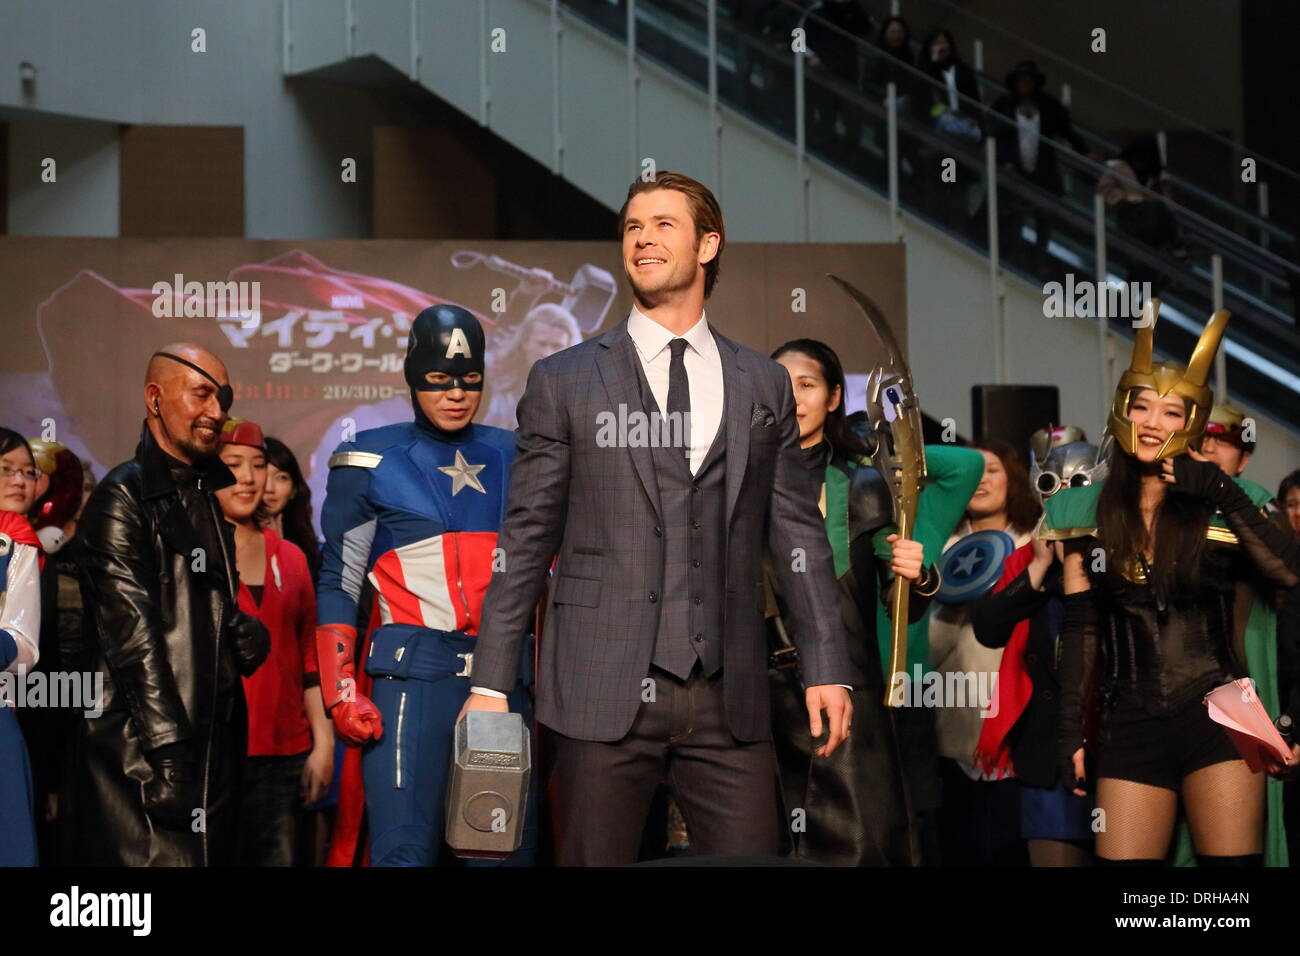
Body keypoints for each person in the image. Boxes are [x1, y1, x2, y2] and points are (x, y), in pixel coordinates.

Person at [462, 171, 856, 865]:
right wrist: (491, 684)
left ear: (708, 244)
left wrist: (826, 663)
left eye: (663, 224)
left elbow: (797, 532)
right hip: (597, 686)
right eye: (632, 227)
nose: (643, 238)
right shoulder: (565, 380)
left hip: (728, 694)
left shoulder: (760, 381)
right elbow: (523, 541)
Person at [1048, 306, 1300, 866]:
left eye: (1171, 411)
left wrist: (1221, 489)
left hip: (1225, 715)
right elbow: (1082, 629)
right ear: (1121, 413)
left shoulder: (1226, 503)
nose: (1153, 422)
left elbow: (1289, 573)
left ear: (1189, 423)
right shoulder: (1082, 513)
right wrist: (1070, 733)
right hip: (1128, 719)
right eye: (1141, 406)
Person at [317, 304, 536, 867]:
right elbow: (340, 579)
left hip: (504, 677)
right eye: (438, 380)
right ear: (414, 376)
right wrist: (339, 690)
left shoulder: (520, 453)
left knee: (498, 854)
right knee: (403, 853)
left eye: (470, 381)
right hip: (411, 677)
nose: (456, 394)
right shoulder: (368, 458)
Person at [767, 338, 983, 865]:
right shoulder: (740, 482)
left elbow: (900, 591)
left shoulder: (865, 484)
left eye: (808, 385)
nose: (793, 397)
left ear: (835, 398)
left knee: (863, 844)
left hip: (851, 690)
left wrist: (920, 572)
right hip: (762, 696)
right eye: (780, 386)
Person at [65, 344, 271, 867]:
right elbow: (133, 637)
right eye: (201, 393)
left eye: (222, 398)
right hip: (144, 758)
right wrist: (169, 754)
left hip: (211, 754)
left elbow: (196, 611)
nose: (218, 412)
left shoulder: (204, 495)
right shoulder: (123, 496)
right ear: (155, 399)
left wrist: (245, 632)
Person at [969, 430, 1107, 867]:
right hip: (1047, 755)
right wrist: (1042, 566)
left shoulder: (1119, 557)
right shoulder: (1025, 559)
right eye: (1054, 486)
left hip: (1118, 743)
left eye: (1077, 487)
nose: (1065, 499)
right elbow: (988, 626)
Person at [214, 419, 333, 866]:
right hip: (213, 757)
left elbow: (308, 661)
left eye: (258, 465)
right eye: (232, 465)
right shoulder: (190, 554)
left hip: (284, 755)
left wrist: (322, 746)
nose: (247, 477)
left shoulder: (292, 557)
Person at [929, 439, 1041, 866]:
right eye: (971, 471)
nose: (981, 479)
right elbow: (925, 650)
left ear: (1012, 479)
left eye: (991, 469)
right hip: (952, 730)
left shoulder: (1041, 543)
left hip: (1021, 730)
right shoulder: (935, 546)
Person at [24, 438, 85, 864]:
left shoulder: (79, 556)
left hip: (70, 705)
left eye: (33, 473)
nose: (25, 483)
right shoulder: (14, 545)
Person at [991, 60, 1088, 261]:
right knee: (1013, 215)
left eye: (1028, 79)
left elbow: (1067, 130)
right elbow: (990, 129)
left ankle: (1039, 256)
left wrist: (1084, 151)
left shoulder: (1048, 105)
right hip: (1014, 169)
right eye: (1021, 80)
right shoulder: (1004, 105)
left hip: (1042, 171)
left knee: (1044, 216)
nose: (1025, 83)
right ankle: (1012, 255)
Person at [0, 428, 42, 866]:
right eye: (6, 470)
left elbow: (24, 645)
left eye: (27, 472)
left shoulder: (17, 545)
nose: (18, 481)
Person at [1096, 134, 1183, 298]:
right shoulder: (1118, 168)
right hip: (1131, 220)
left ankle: (1129, 317)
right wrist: (1126, 198)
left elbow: (1168, 203)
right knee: (1143, 272)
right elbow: (1104, 192)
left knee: (1143, 273)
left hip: (1152, 226)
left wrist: (1158, 197)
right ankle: (1177, 248)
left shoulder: (1157, 175)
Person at [261, 436, 322, 582]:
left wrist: (282, 552)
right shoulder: (223, 545)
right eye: (262, 475)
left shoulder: (316, 554)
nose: (270, 488)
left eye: (281, 477)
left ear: (294, 490)